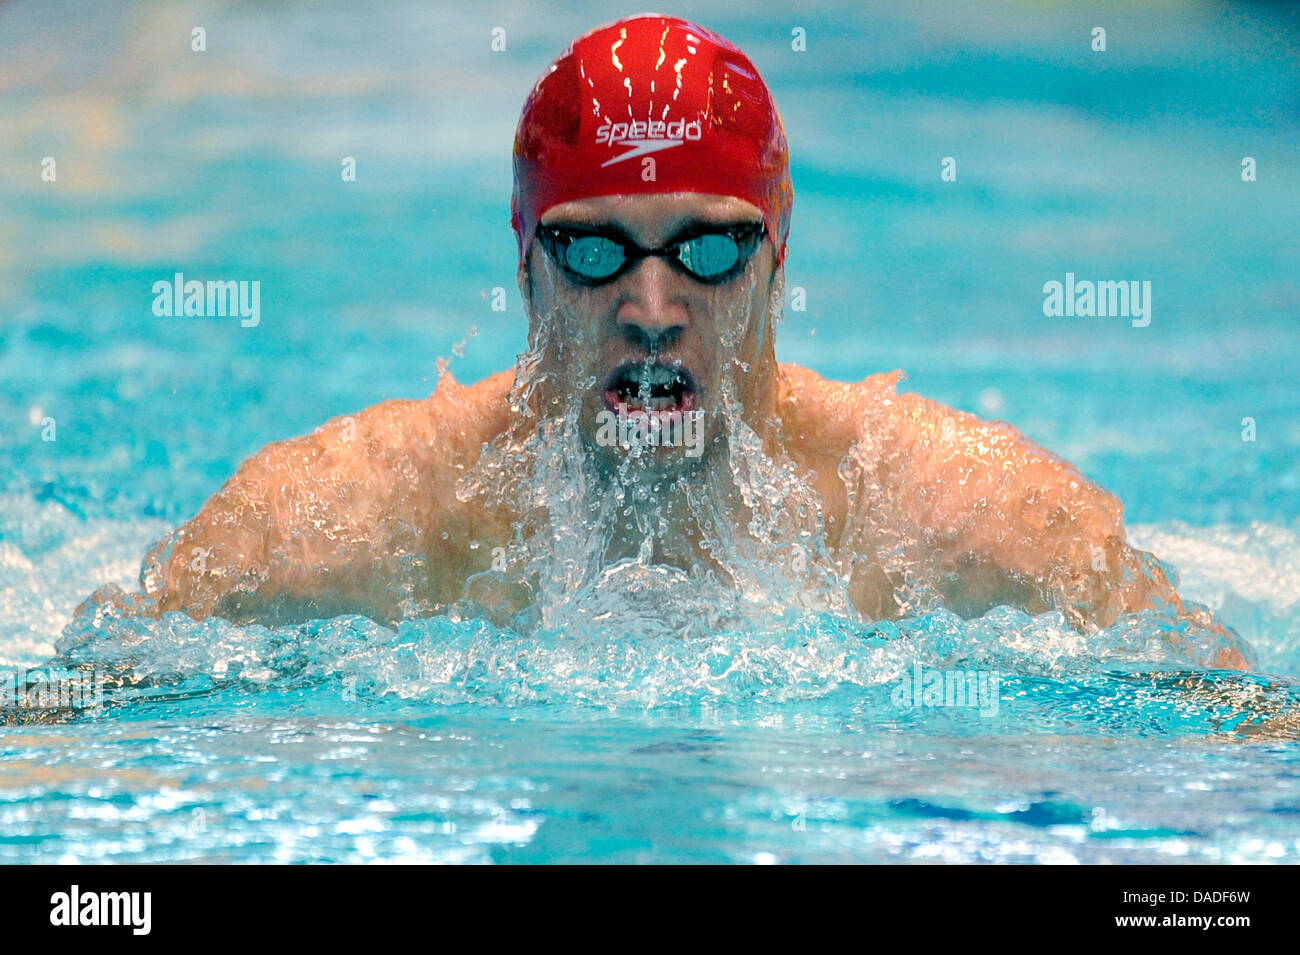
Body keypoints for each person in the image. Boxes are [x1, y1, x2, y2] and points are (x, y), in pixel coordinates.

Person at [90, 14, 1248, 668]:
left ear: (780, 250)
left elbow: (1237, 723)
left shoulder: (959, 519)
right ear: (523, 255)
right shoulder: (336, 527)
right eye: (594, 250)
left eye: (709, 248)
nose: (650, 305)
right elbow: (74, 716)